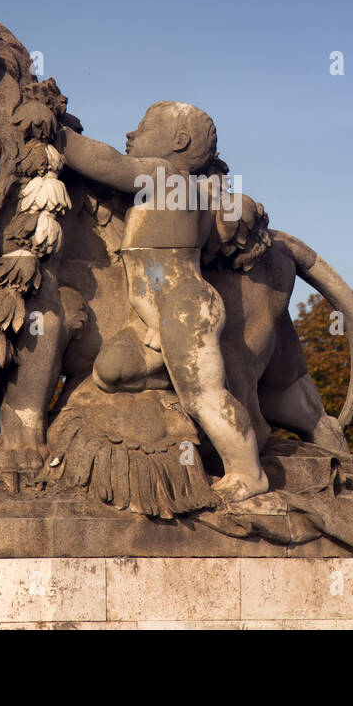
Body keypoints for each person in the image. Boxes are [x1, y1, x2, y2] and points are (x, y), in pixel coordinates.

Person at [56, 101, 269, 502]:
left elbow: (108, 164)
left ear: (179, 140)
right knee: (108, 370)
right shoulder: (196, 194)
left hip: (183, 306)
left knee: (205, 396)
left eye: (141, 126)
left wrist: (57, 133)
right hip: (161, 313)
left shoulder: (166, 175)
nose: (131, 135)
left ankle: (248, 472)